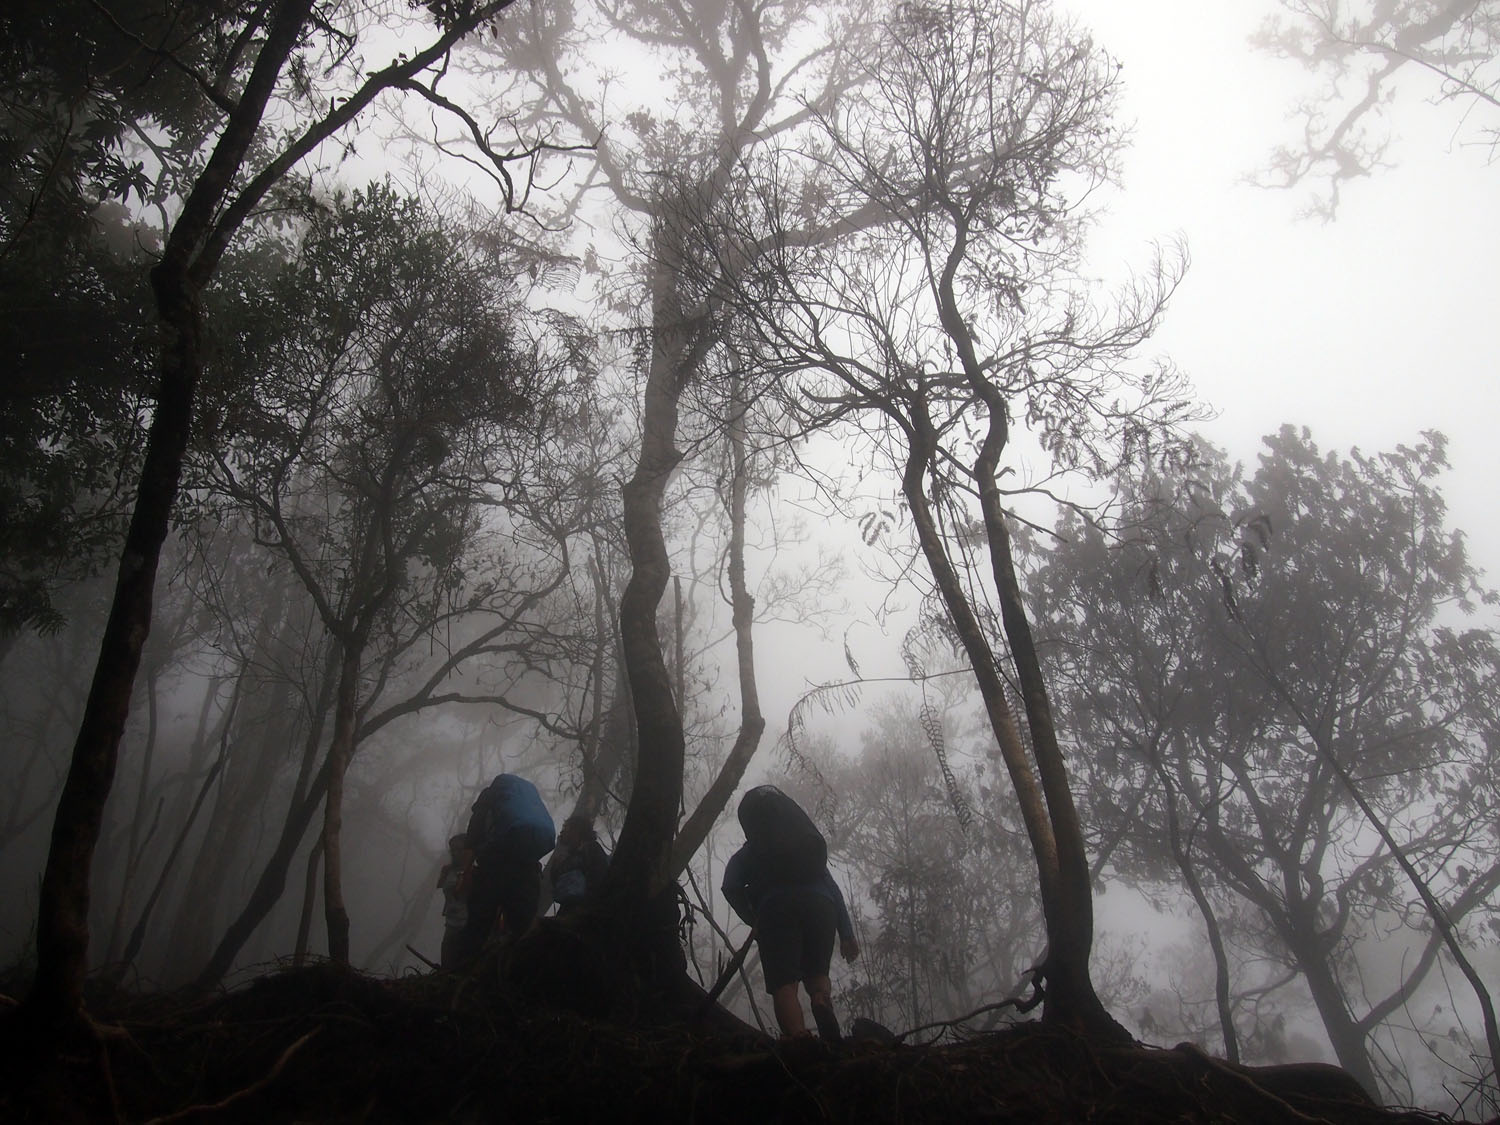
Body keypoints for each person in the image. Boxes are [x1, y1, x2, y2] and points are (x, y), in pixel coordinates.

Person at [721, 785, 859, 1042]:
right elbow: (833, 889)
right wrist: (847, 933)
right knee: (817, 976)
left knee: (785, 984)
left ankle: (798, 1039)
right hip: (822, 907)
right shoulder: (806, 851)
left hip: (777, 910)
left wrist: (754, 919)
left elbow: (730, 887)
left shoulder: (749, 853)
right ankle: (820, 1000)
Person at [456, 773, 556, 964]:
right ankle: (521, 973)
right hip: (528, 871)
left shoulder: (489, 798)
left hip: (494, 867)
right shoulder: (529, 805)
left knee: (477, 927)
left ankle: (462, 971)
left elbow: (472, 839)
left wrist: (464, 873)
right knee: (523, 931)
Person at [548, 815, 609, 915]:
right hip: (567, 910)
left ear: (576, 830)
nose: (562, 832)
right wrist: (555, 867)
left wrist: (584, 908)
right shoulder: (570, 855)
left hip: (584, 912)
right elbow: (559, 884)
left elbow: (598, 879)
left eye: (566, 828)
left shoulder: (592, 849)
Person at [436, 834, 472, 969]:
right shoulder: (447, 871)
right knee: (447, 964)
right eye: (453, 850)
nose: (455, 853)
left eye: (459, 849)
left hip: (468, 925)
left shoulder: (475, 872)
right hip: (451, 924)